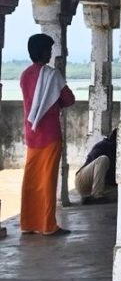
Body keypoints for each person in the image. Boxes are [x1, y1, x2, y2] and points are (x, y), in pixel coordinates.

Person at [19, 33, 75, 235]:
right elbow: (69, 99)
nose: (51, 53)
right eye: (49, 50)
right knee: (48, 180)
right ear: (43, 52)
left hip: (31, 133)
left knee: (31, 180)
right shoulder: (52, 75)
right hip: (50, 134)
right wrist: (56, 101)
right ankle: (47, 225)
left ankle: (28, 224)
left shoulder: (25, 75)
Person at [74, 129, 117, 204]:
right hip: (83, 181)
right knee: (103, 159)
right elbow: (98, 166)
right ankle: (96, 196)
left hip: (100, 185)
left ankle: (89, 199)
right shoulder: (104, 145)